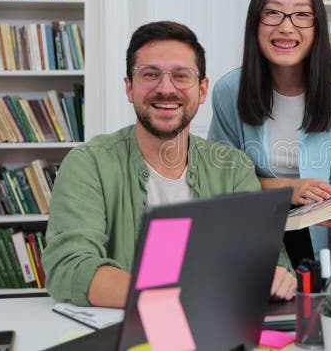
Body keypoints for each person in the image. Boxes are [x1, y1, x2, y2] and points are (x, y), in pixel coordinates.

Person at [43, 21, 296, 308]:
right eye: (150, 75)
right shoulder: (88, 164)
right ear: (129, 88)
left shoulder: (233, 167)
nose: (166, 89)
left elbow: (269, 259)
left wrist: (276, 275)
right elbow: (70, 267)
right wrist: (177, 296)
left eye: (181, 76)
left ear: (202, 90)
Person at [208, 0, 331, 276]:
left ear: (317, 27)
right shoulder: (229, 90)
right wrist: (287, 189)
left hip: (321, 235)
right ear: (255, 23)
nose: (286, 26)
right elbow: (222, 182)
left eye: (302, 15)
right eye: (272, 13)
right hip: (252, 232)